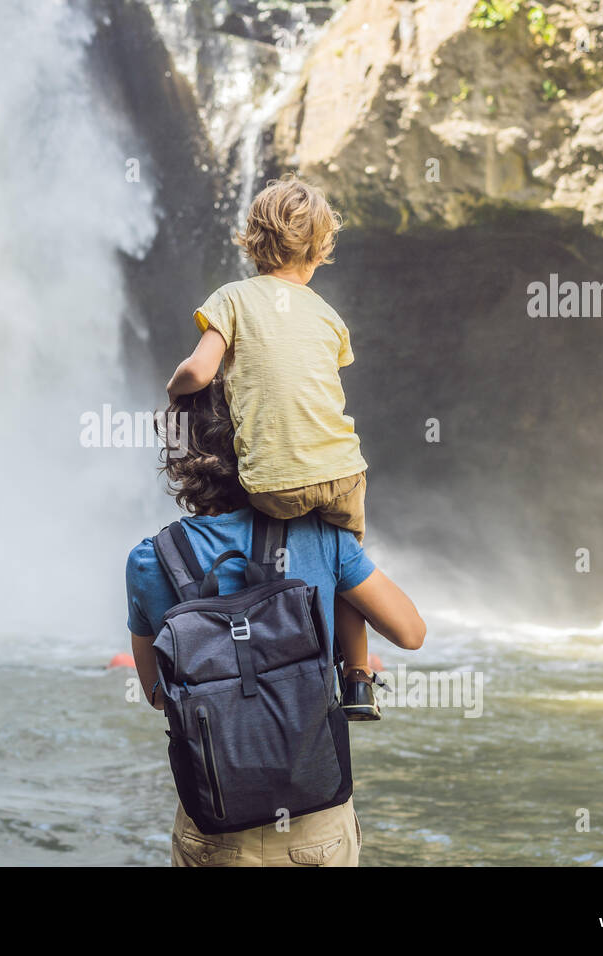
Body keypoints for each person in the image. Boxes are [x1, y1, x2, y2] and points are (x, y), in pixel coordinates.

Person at [126, 379, 425, 867]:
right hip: (315, 826)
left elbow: (159, 695)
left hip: (214, 825)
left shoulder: (149, 560)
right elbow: (411, 632)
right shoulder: (320, 534)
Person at [165, 175, 384, 717]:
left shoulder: (232, 298)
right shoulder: (329, 317)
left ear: (252, 239)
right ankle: (357, 678)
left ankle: (265, 658)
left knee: (269, 557)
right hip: (341, 471)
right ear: (321, 248)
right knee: (346, 568)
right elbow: (312, 388)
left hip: (271, 483)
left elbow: (199, 370)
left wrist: (175, 390)